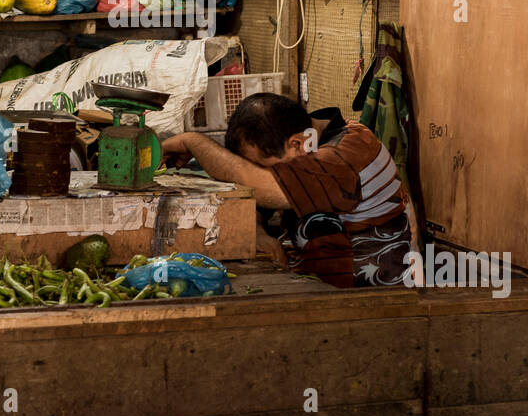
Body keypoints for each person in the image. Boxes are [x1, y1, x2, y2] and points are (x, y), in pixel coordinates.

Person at [160, 92, 412, 288]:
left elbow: (264, 187)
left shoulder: (343, 157)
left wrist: (191, 141)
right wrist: (258, 231)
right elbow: (258, 195)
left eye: (264, 168)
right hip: (319, 275)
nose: (262, 175)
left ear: (297, 143)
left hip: (366, 293)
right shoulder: (313, 136)